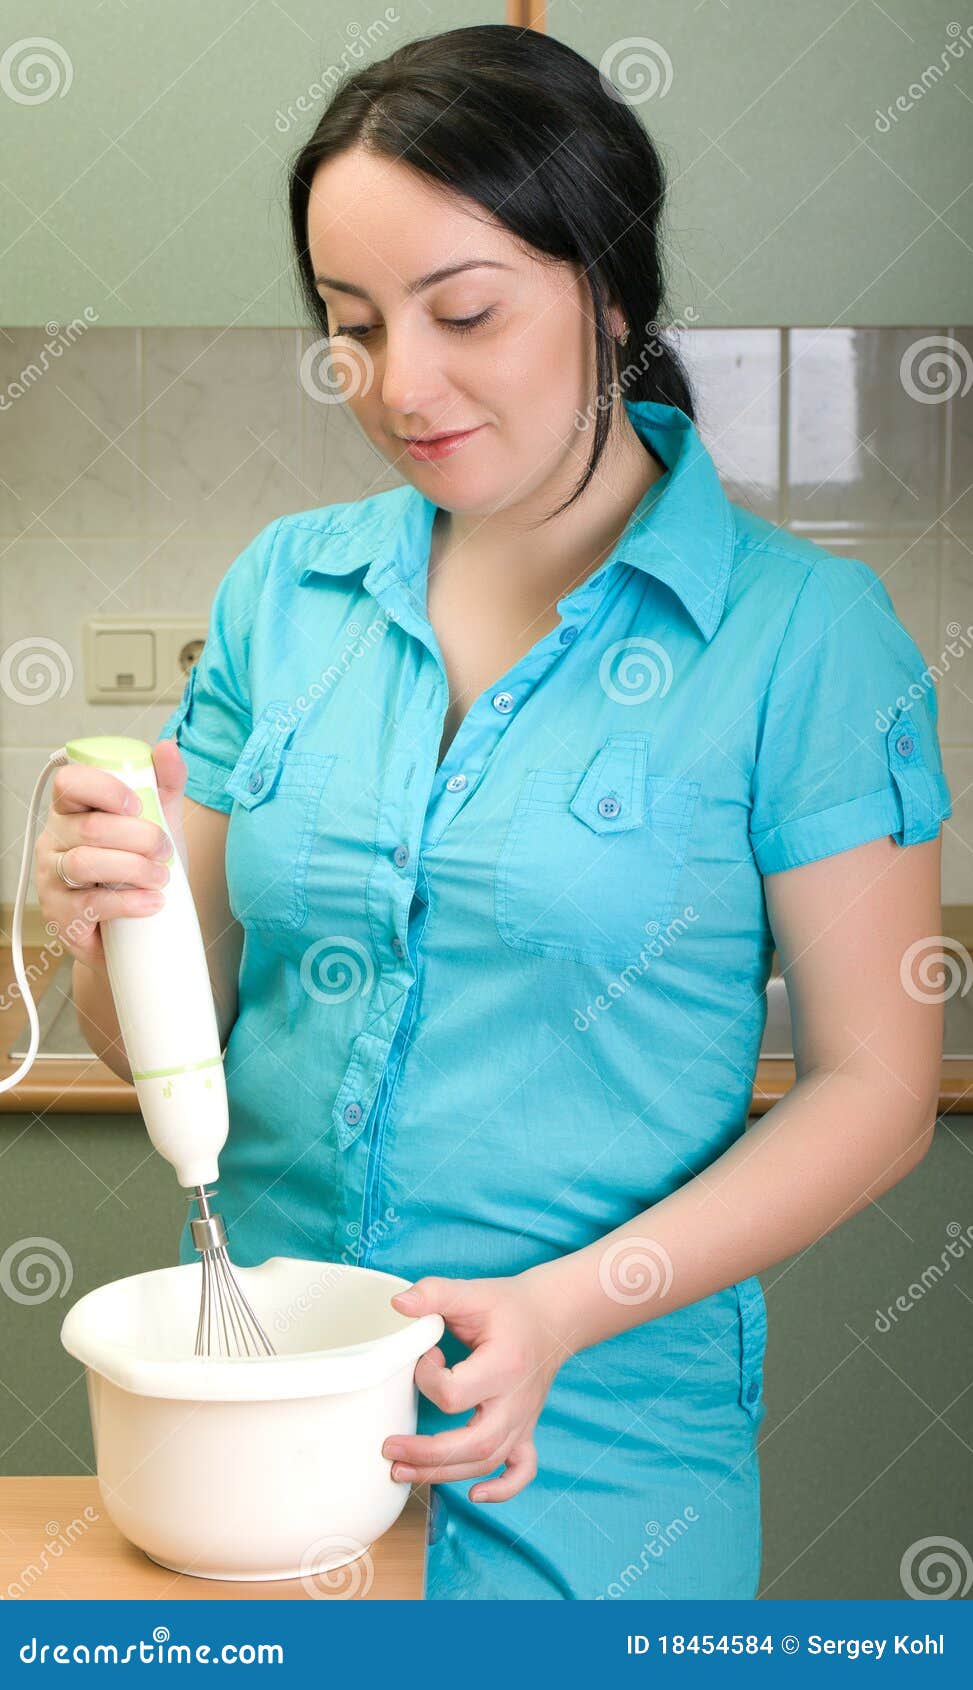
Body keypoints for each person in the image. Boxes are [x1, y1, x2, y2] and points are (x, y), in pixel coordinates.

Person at [48, 26, 951, 1600]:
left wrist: (560, 1308)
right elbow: (142, 1038)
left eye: (464, 312)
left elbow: (876, 1085)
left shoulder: (799, 637)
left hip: (595, 1467)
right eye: (350, 327)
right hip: (257, 1432)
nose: (400, 385)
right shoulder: (286, 593)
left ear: (607, 289)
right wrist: (99, 910)